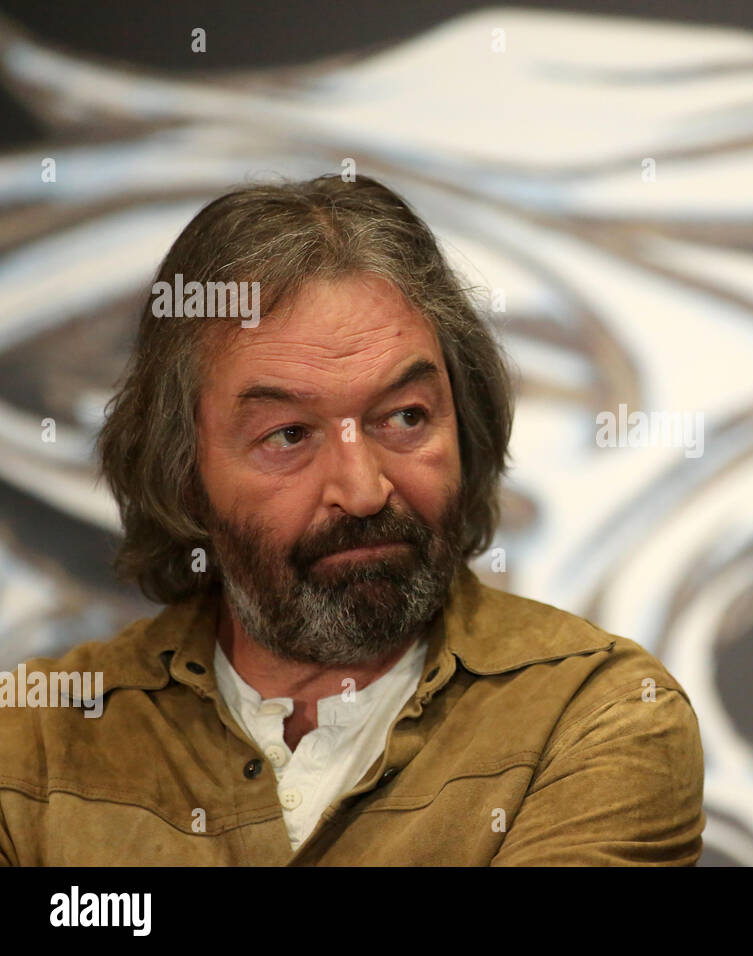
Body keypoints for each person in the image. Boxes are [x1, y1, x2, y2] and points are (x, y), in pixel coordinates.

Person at [0, 174, 705, 865]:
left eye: (405, 417)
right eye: (288, 435)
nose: (363, 491)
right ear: (185, 475)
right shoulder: (34, 747)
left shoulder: (597, 719)